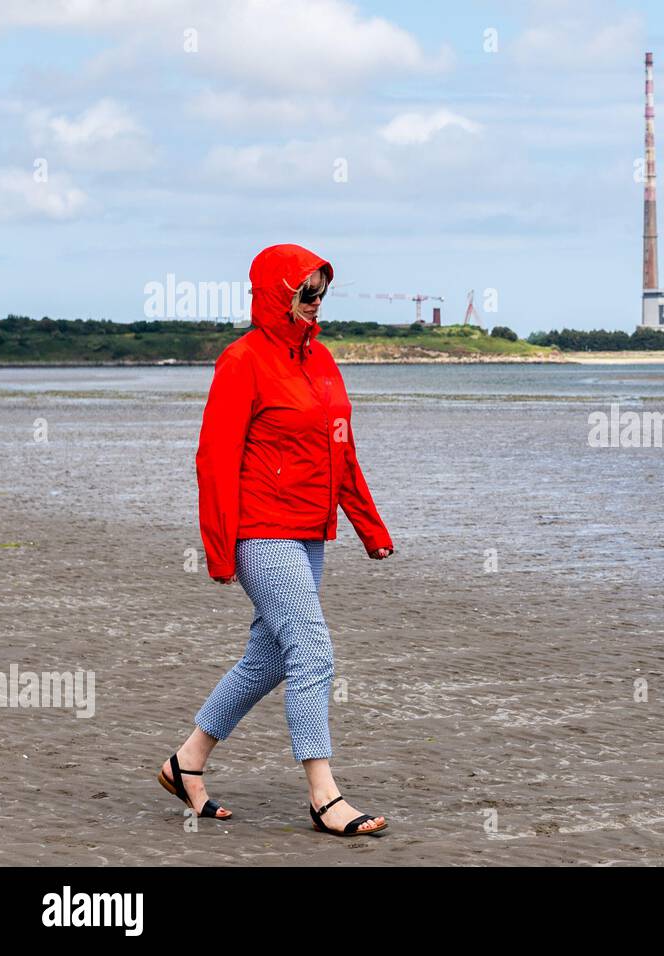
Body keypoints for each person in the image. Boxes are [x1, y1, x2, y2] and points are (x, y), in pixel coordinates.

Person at [156, 243, 394, 837]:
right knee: (313, 648)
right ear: (276, 293)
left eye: (322, 292)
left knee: (269, 657)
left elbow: (342, 449)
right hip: (260, 531)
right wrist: (218, 550)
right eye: (306, 292)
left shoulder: (322, 360)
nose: (317, 304)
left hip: (310, 531)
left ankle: (186, 763)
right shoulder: (242, 361)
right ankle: (323, 794)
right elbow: (214, 460)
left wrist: (370, 527)